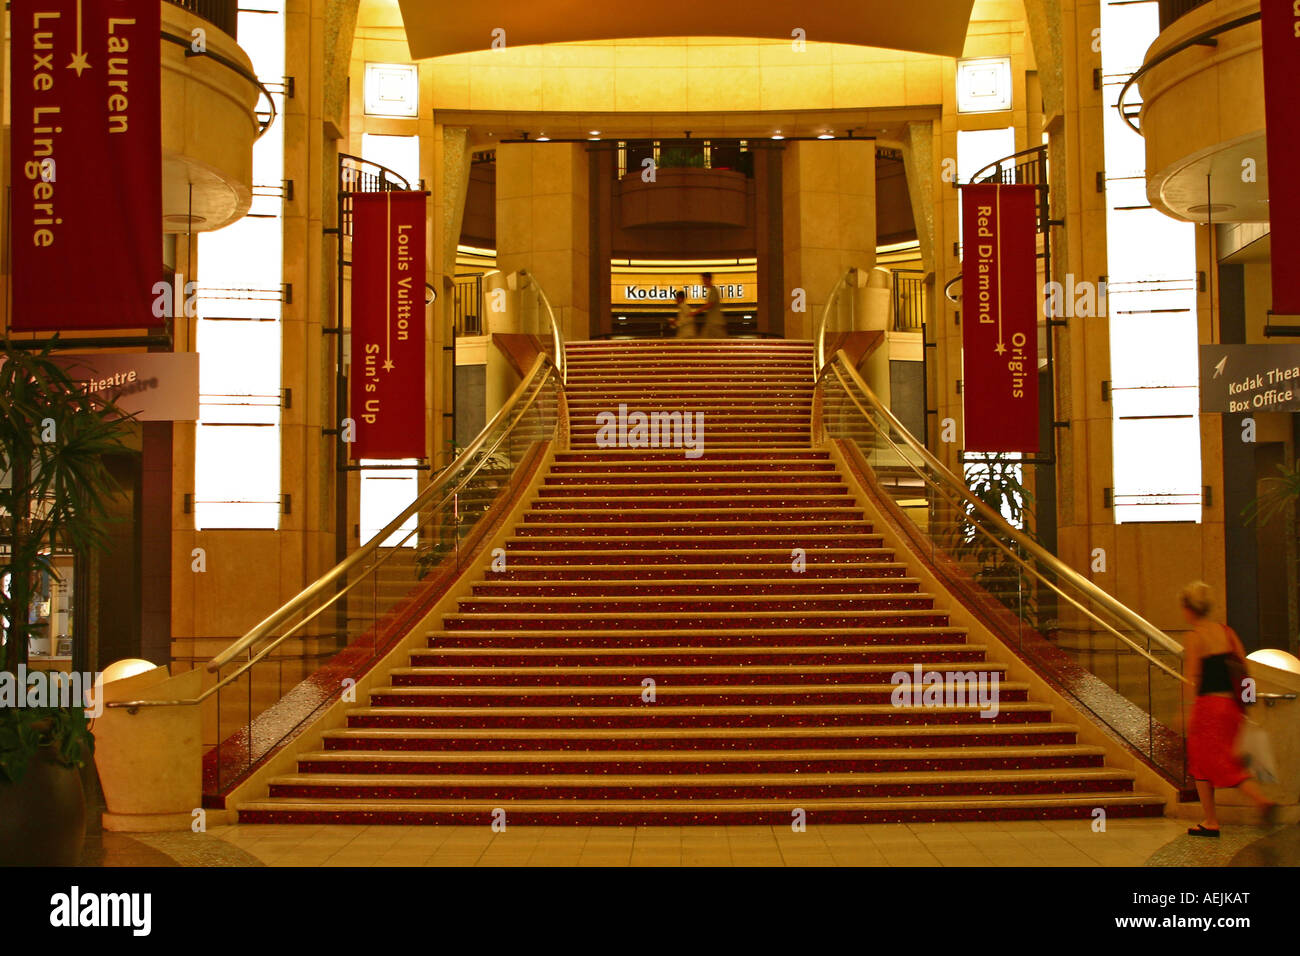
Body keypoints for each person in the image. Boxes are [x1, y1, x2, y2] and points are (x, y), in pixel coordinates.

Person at [1180, 581, 1276, 836]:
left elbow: (1193, 677)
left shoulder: (1195, 637)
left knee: (1205, 762)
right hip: (1231, 706)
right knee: (1224, 759)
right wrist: (1247, 707)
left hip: (1208, 707)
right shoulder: (1227, 632)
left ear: (1189, 609)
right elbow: (1244, 670)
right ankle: (1213, 817)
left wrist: (1188, 711)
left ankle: (1225, 814)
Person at [693, 273, 727, 338]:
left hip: (714, 323)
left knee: (705, 340)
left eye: (703, 280)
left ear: (708, 279)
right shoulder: (712, 291)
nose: (703, 282)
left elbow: (710, 305)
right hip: (713, 322)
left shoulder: (713, 290)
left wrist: (696, 312)